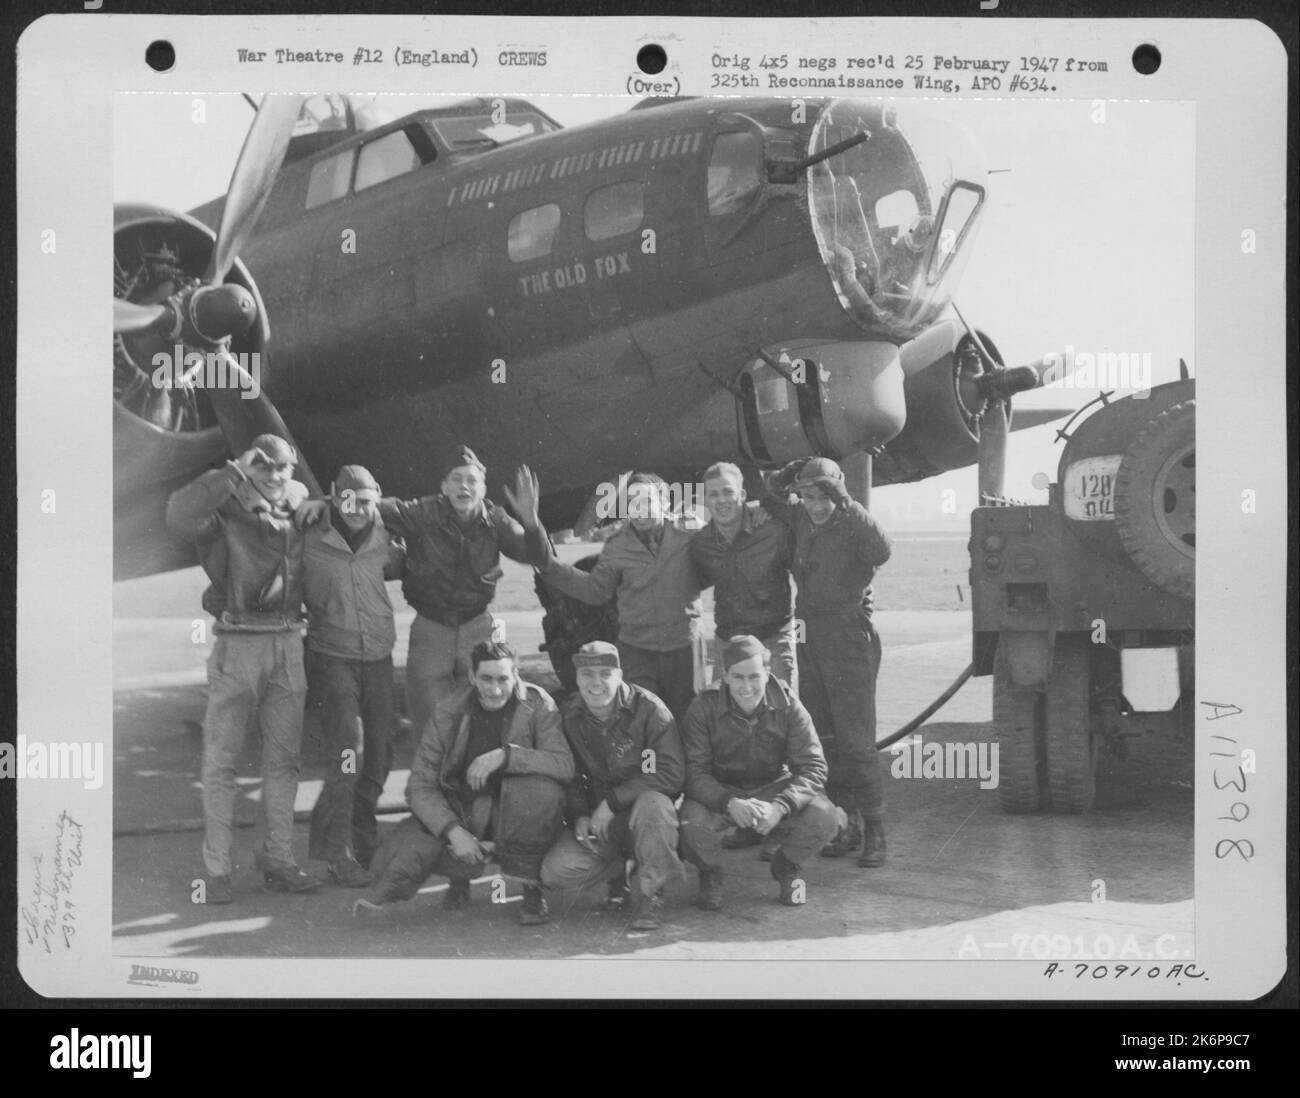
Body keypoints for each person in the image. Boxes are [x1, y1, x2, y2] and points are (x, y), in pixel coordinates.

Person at [165, 433, 318, 902]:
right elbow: (178, 514)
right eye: (263, 466)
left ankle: (279, 857)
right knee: (222, 761)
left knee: (284, 761)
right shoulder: (226, 505)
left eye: (282, 467)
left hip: (290, 641)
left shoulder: (300, 505)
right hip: (239, 642)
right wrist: (233, 470)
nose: (274, 476)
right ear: (250, 466)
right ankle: (217, 870)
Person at [354, 641, 573, 925]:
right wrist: (453, 832)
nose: (494, 689)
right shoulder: (449, 710)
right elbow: (420, 785)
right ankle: (459, 876)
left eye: (503, 679)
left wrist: (507, 757)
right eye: (486, 679)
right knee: (408, 850)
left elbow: (563, 764)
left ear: (516, 674)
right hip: (466, 809)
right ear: (472, 676)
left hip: (518, 807)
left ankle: (530, 885)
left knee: (542, 792)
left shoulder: (538, 703)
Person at [343, 445, 546, 736]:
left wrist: (531, 521)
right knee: (427, 722)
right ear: (444, 487)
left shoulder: (497, 520)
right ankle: (428, 779)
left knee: (487, 716)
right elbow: (368, 505)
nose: (464, 486)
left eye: (471, 480)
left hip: (478, 627)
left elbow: (538, 557)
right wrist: (324, 502)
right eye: (456, 479)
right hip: (431, 628)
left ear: (483, 487)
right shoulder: (421, 513)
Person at [764, 456, 893, 867]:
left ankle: (876, 831)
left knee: (857, 743)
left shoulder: (852, 524)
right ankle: (847, 823)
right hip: (810, 639)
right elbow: (767, 498)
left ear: (838, 494)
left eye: (824, 496)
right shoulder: (800, 518)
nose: (816, 505)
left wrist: (846, 501)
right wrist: (787, 476)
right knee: (827, 741)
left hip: (848, 638)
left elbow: (883, 550)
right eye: (808, 496)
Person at [678, 636, 839, 908]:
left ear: (767, 673)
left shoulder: (789, 705)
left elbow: (814, 767)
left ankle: (787, 865)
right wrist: (728, 802)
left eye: (754, 676)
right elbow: (693, 772)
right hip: (722, 791)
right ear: (725, 677)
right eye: (738, 677)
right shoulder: (703, 707)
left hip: (772, 787)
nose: (747, 686)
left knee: (825, 817)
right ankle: (710, 871)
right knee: (689, 823)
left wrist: (781, 806)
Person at [301, 464, 404, 885]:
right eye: (346, 499)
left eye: (365, 500)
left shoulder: (387, 533)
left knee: (380, 753)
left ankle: (363, 841)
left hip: (378, 657)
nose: (356, 508)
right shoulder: (309, 534)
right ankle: (335, 853)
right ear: (332, 495)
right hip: (333, 658)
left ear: (376, 496)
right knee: (350, 753)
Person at [537, 472, 703, 725]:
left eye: (647, 501)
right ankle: (650, 767)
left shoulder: (689, 534)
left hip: (683, 647)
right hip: (638, 651)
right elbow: (596, 590)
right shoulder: (617, 547)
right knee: (643, 721)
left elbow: (716, 562)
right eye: (633, 502)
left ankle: (685, 767)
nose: (640, 509)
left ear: (665, 503)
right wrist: (550, 567)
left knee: (689, 720)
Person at [540, 642, 685, 932]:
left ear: (619, 674)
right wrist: (580, 814)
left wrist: (613, 801)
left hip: (646, 815)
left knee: (653, 805)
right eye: (587, 674)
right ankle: (621, 871)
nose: (596, 683)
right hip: (602, 823)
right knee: (554, 870)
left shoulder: (649, 711)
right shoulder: (569, 716)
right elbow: (570, 776)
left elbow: (669, 773)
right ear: (577, 678)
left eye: (605, 673)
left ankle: (650, 894)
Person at [688, 462, 798, 692]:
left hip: (774, 640)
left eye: (728, 492)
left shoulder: (773, 530)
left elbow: (808, 570)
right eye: (713, 494)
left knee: (778, 715)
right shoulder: (701, 544)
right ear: (705, 499)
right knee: (725, 718)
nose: (721, 500)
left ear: (743, 495)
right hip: (728, 642)